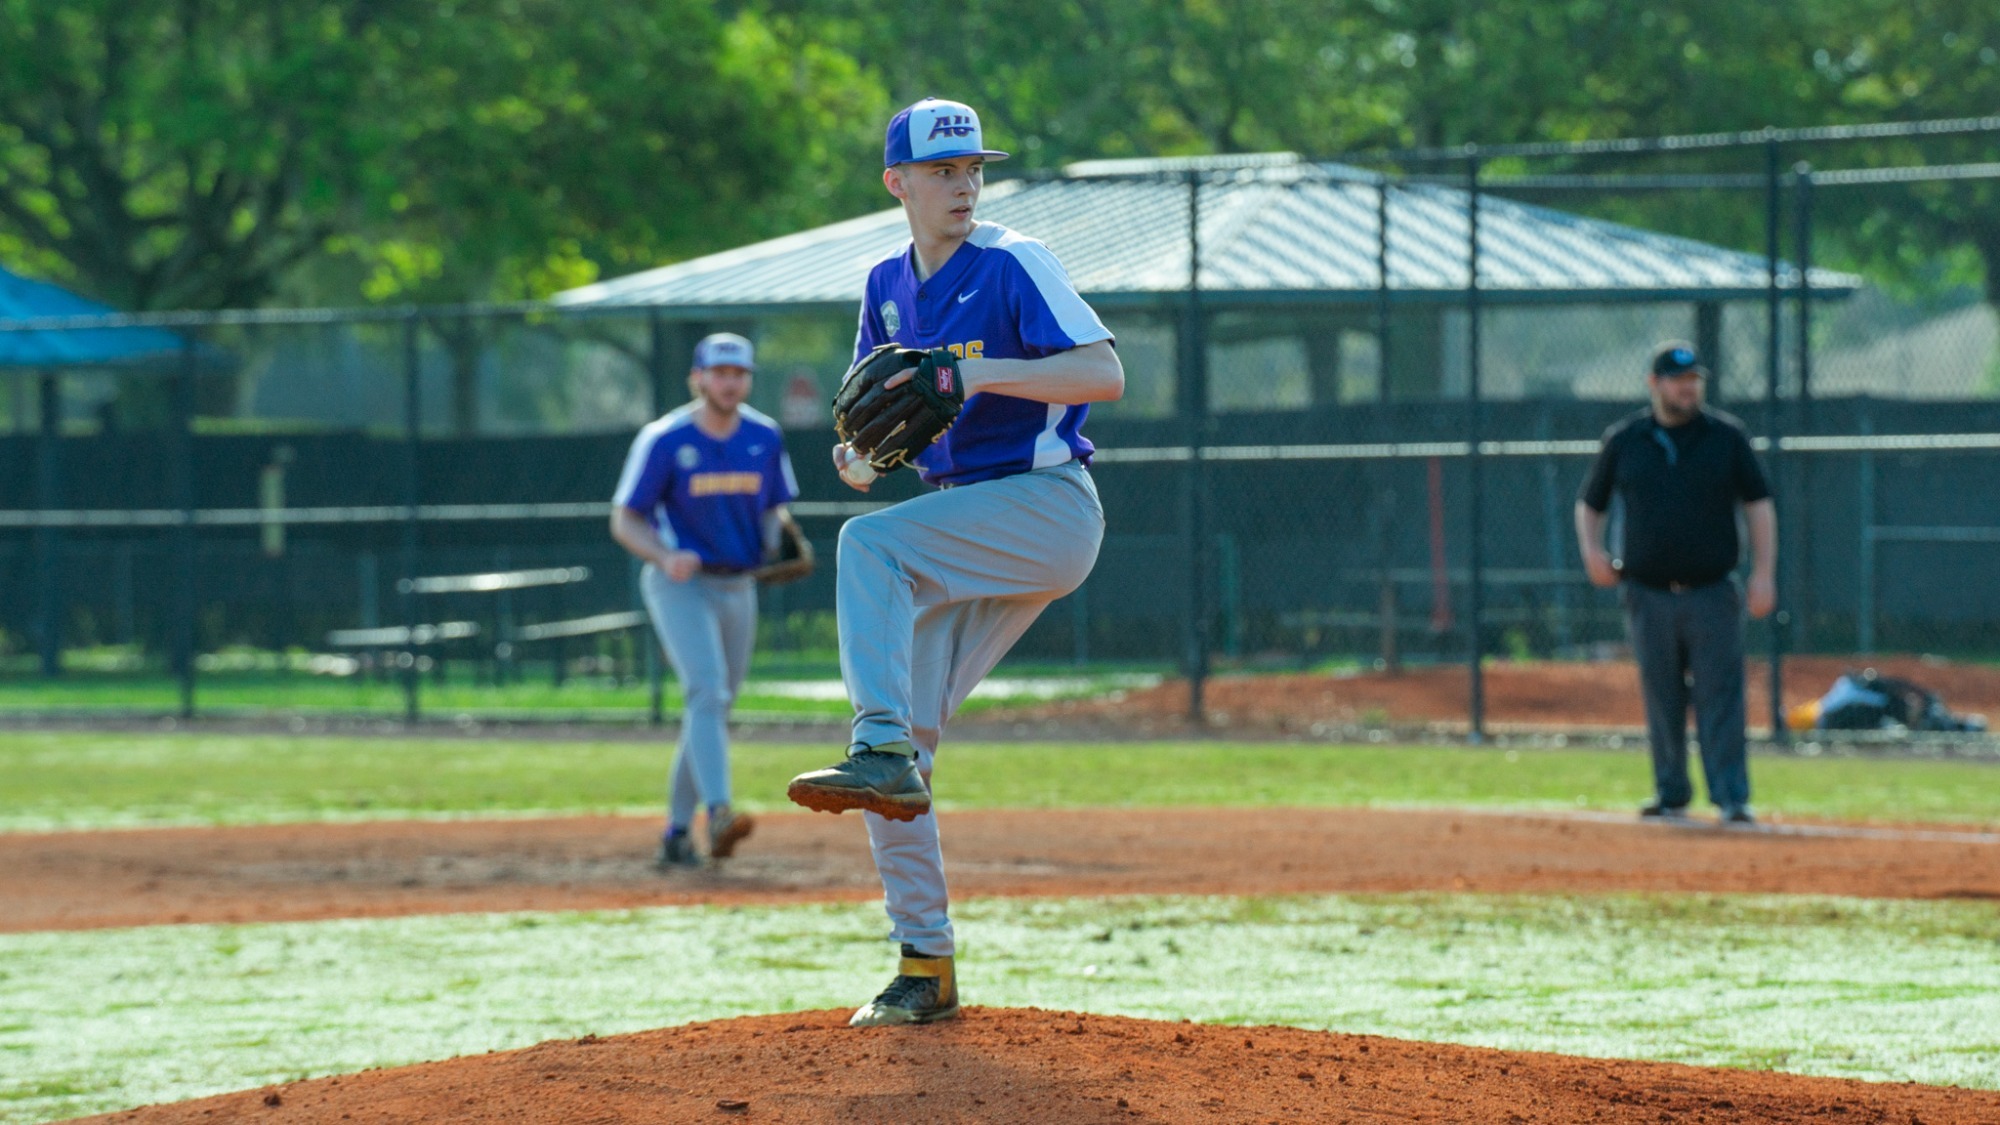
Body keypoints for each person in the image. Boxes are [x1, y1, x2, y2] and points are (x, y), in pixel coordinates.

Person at [784, 97, 1123, 1026]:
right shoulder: (886, 284)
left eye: (973, 167)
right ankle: (922, 964)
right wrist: (857, 456)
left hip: (1047, 503)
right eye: (942, 171)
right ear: (898, 182)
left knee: (868, 548)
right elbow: (871, 424)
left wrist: (972, 372)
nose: (964, 184)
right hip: (957, 521)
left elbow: (1103, 373)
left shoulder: (1012, 262)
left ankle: (879, 742)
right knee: (901, 755)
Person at [610, 332, 800, 867]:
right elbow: (625, 518)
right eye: (719, 372)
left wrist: (779, 539)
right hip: (681, 583)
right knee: (708, 694)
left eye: (739, 373)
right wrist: (662, 555)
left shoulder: (764, 436)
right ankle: (718, 812)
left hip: (738, 585)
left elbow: (773, 510)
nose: (729, 381)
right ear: (698, 378)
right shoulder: (666, 439)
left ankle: (675, 834)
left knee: (711, 707)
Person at [1574, 341, 1776, 825]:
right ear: (1655, 384)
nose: (1688, 388)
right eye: (1678, 380)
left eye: (1694, 380)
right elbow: (1589, 503)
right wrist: (1592, 551)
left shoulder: (1725, 437)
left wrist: (1763, 573)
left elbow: (1759, 505)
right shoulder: (1626, 440)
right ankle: (1671, 792)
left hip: (1711, 590)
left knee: (1720, 695)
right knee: (1661, 696)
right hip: (1646, 592)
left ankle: (1731, 796)